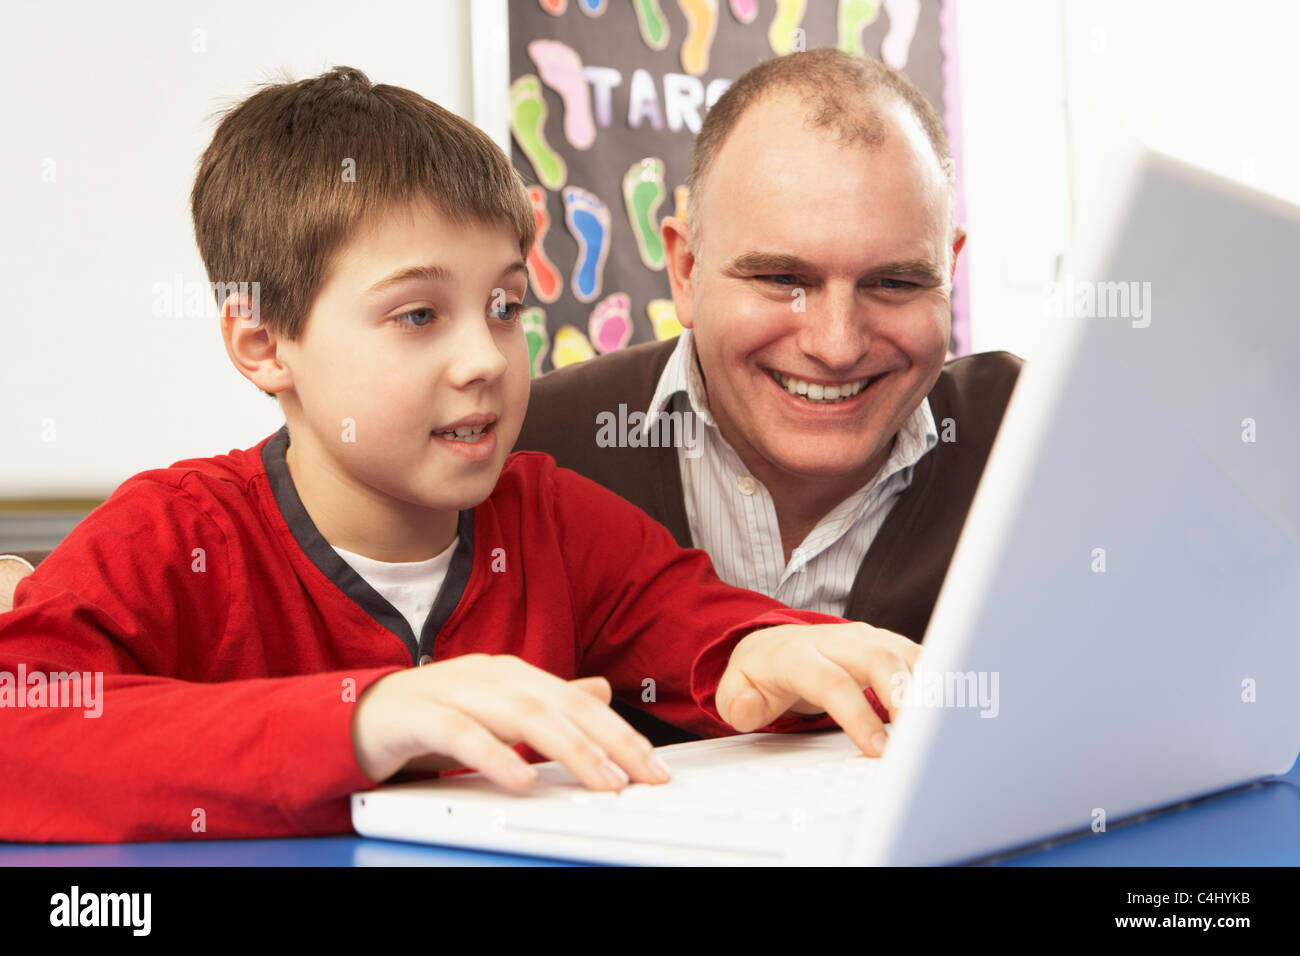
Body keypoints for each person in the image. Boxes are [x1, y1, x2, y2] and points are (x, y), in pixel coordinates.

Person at [0, 66, 918, 843]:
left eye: (505, 307)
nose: (483, 359)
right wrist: (366, 718)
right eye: (416, 316)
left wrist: (764, 651)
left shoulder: (551, 518)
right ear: (263, 344)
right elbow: (22, 727)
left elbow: (698, 624)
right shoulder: (175, 534)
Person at [516, 49, 1022, 745]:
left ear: (949, 271)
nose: (837, 344)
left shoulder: (1042, 439)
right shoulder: (523, 451)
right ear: (686, 270)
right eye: (783, 276)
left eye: (896, 283)